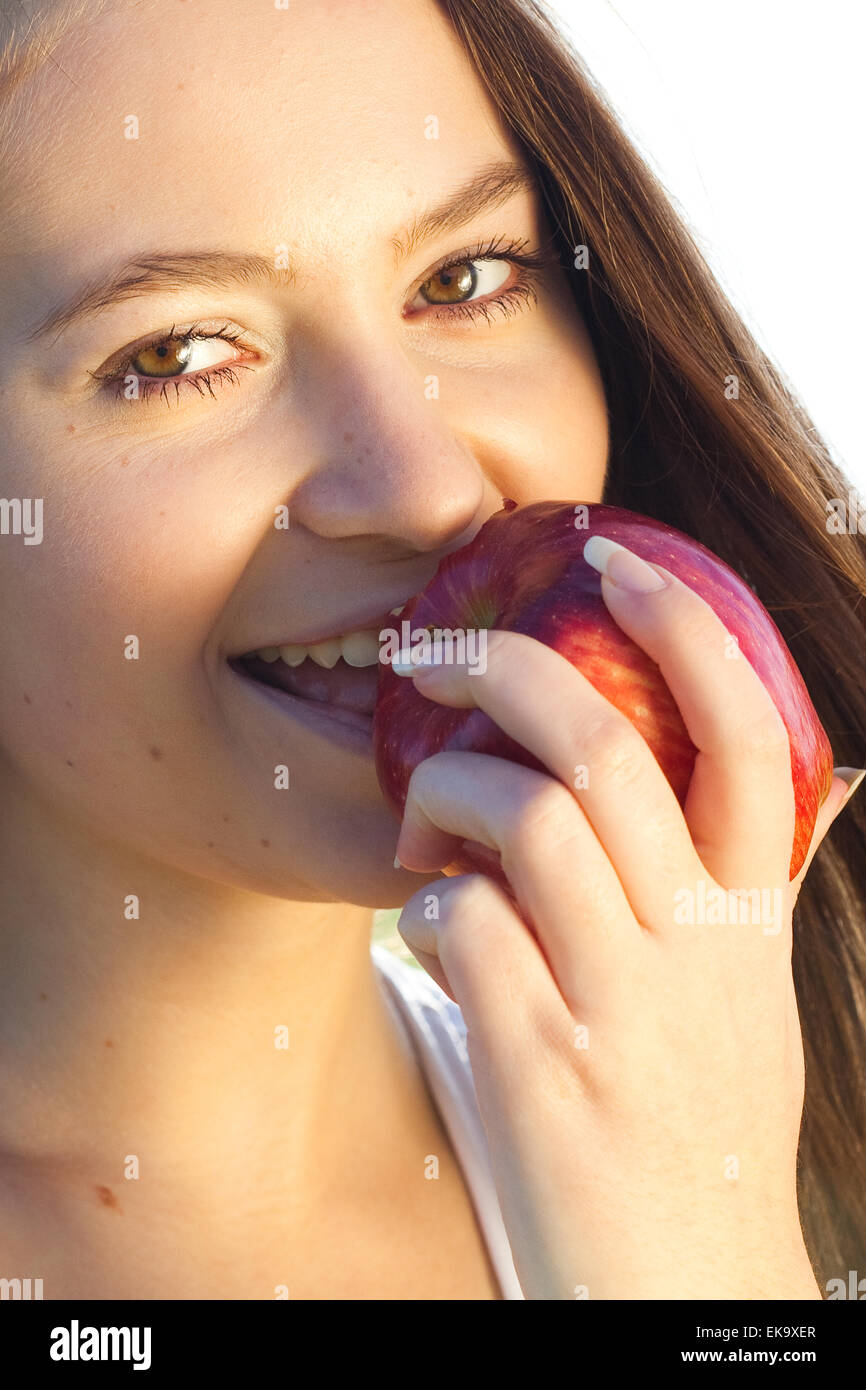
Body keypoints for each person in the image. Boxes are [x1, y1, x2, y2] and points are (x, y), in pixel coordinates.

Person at [0, 0, 863, 1300]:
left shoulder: (769, 1167)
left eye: (462, 280)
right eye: (175, 353)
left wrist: (700, 1252)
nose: (423, 483)